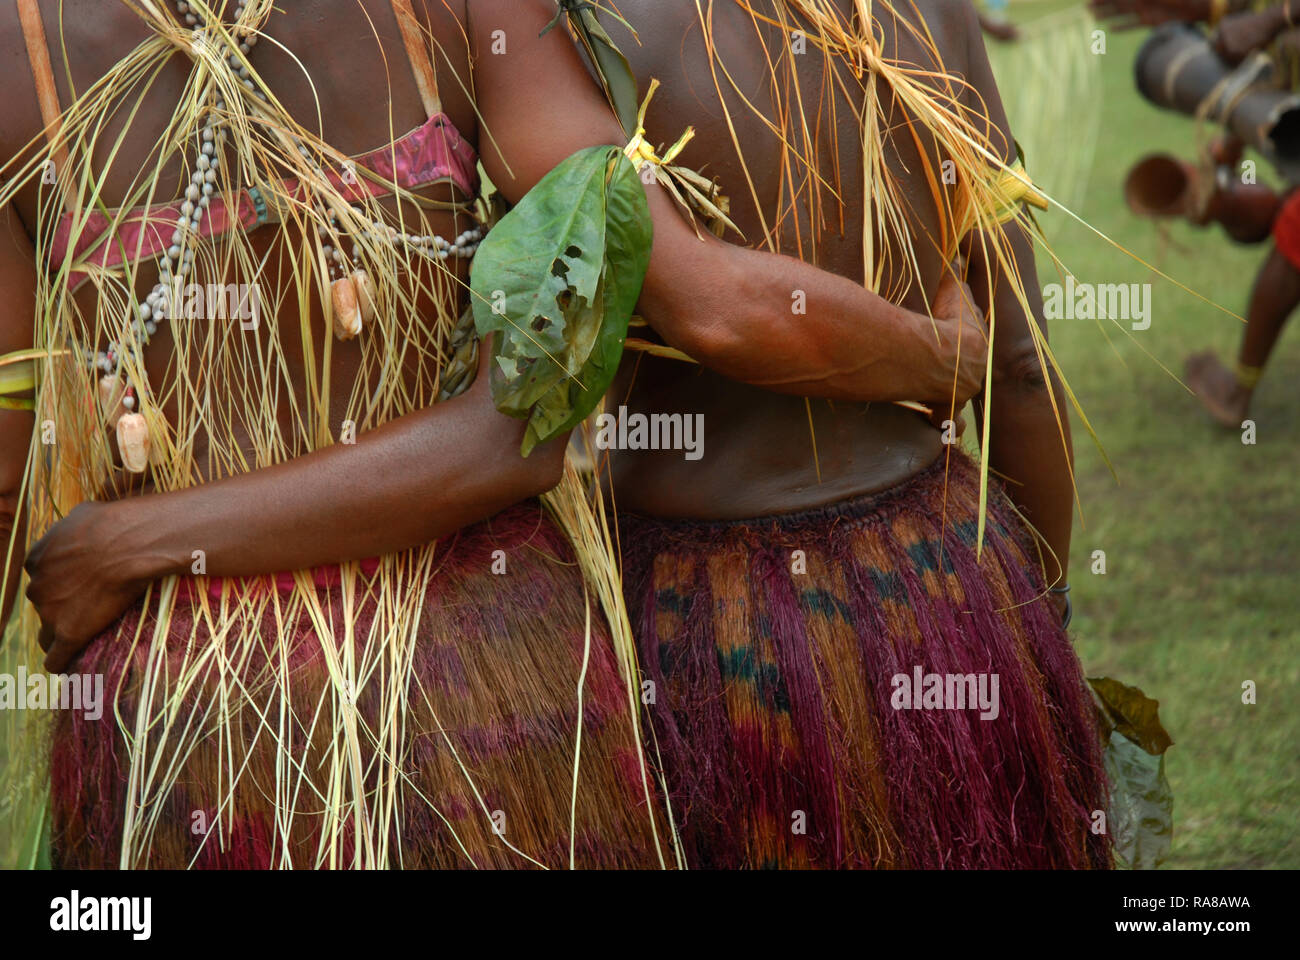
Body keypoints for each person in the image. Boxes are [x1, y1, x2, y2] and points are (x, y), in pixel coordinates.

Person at [1, 0, 983, 868]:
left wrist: (129, 540)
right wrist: (945, 358)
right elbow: (522, 422)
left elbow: (9, 492)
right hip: (498, 693)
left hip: (188, 714)